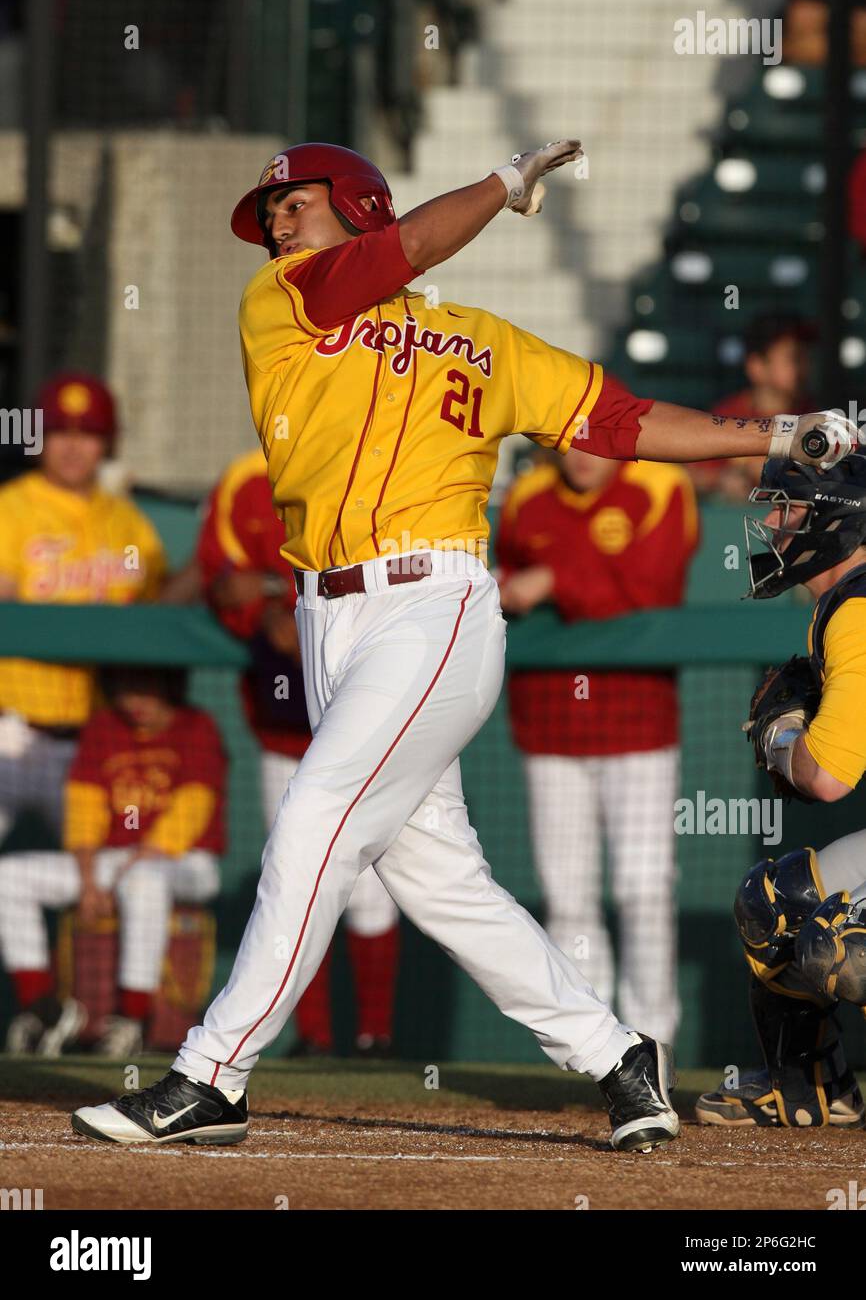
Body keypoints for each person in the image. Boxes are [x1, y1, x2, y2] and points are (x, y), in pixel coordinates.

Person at [71, 139, 854, 1153]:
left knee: (315, 816)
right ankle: (617, 1054)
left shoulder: (480, 340)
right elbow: (384, 261)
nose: (272, 222)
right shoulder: (280, 299)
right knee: (436, 877)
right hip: (326, 616)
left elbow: (618, 421)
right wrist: (500, 186)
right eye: (267, 211)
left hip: (429, 606)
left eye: (292, 201)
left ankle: (212, 1074)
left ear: (353, 201)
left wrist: (774, 434)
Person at [198, 448, 400, 1057]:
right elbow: (222, 580)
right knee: (294, 874)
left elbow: (388, 580)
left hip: (376, 719)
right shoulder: (245, 478)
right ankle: (313, 1037)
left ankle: (375, 1038)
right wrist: (262, 609)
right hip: (284, 728)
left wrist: (271, 592)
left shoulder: (379, 463)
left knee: (377, 885)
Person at [496, 447, 699, 1044]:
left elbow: (649, 592)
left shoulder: (661, 484)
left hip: (638, 724)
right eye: (567, 439)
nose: (580, 455)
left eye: (595, 439)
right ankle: (594, 1050)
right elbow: (501, 585)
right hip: (550, 727)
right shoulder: (528, 497)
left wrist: (558, 581)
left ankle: (653, 1046)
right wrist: (524, 586)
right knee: (568, 898)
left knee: (644, 889)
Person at [696, 452, 866, 1128]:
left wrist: (779, 734)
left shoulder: (856, 609)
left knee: (841, 944)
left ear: (835, 519)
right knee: (776, 905)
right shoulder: (843, 603)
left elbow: (823, 776)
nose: (770, 521)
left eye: (790, 508)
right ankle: (812, 1090)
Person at [0, 665, 225, 1057]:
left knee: (143, 881)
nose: (134, 701)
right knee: (8, 875)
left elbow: (193, 807)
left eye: (144, 688)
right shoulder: (104, 726)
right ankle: (43, 1010)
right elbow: (85, 810)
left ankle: (132, 1021)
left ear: (168, 685)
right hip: (116, 862)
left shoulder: (196, 725)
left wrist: (125, 868)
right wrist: (89, 882)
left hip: (188, 862)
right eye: (125, 689)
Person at [0, 371, 167, 852]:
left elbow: (159, 611)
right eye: (58, 433)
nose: (72, 448)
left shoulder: (126, 520)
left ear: (106, 443)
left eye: (87, 434)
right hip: (11, 726)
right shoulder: (11, 508)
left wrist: (211, 562)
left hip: (91, 739)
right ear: (36, 439)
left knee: (107, 876)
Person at [689, 313, 815, 501]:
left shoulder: (816, 419)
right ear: (757, 367)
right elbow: (690, 474)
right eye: (794, 358)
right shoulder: (728, 416)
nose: (804, 367)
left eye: (806, 357)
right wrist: (721, 480)